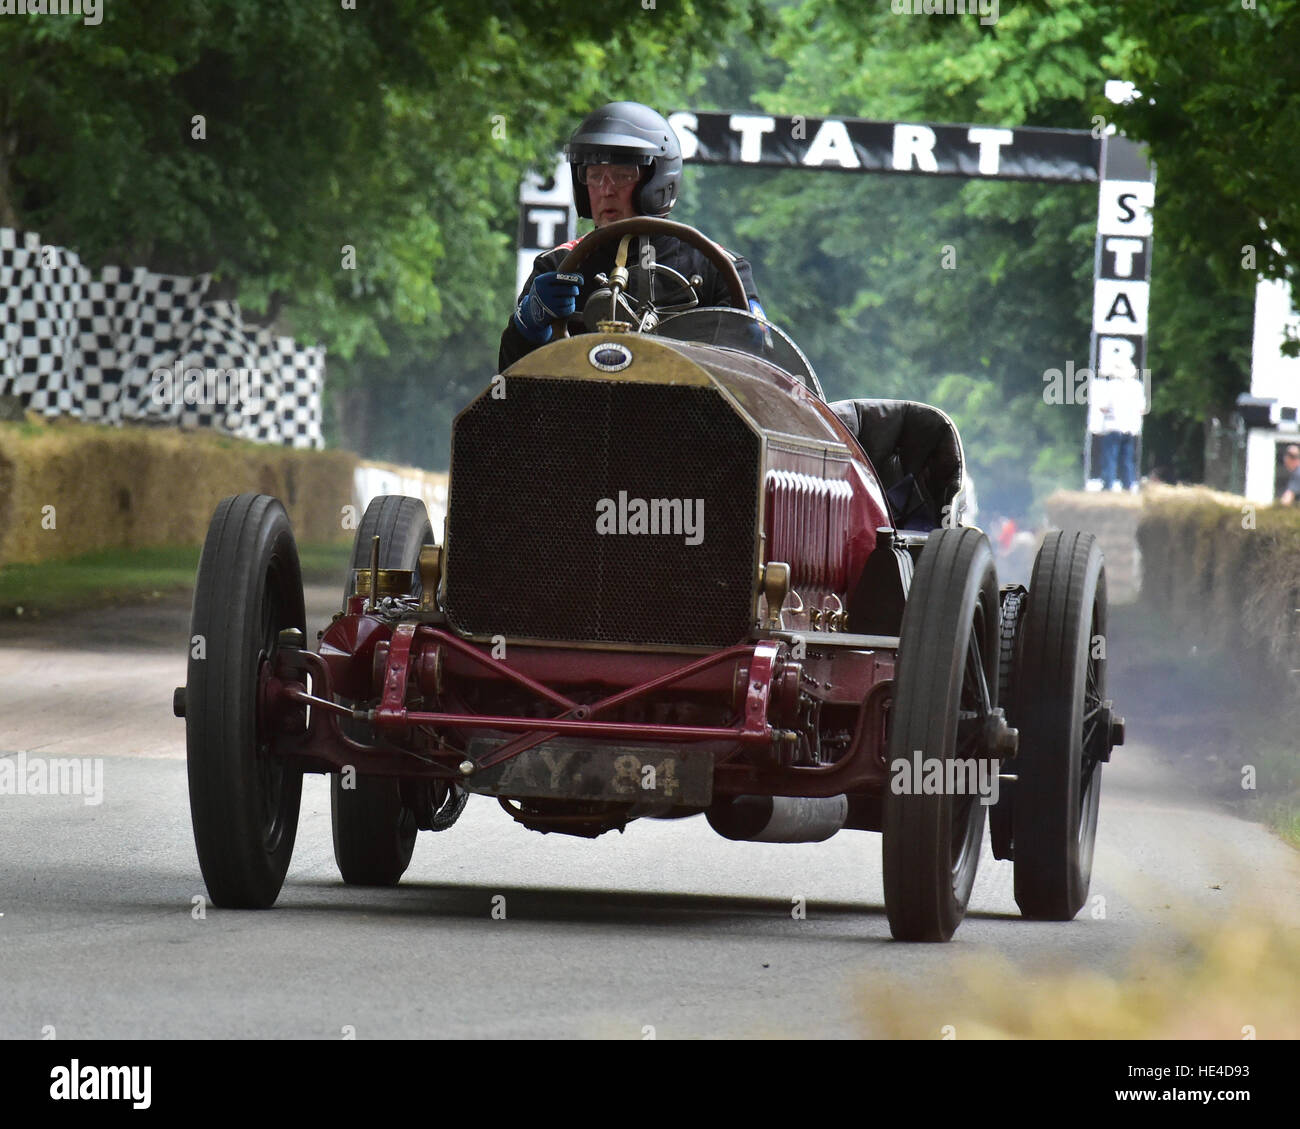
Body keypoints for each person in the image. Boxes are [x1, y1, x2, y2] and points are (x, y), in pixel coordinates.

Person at [499, 102, 763, 370]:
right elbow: (512, 377)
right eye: (594, 176)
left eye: (623, 176)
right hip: (578, 407)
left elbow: (755, 374)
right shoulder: (556, 266)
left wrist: (749, 335)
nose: (605, 190)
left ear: (658, 182)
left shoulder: (720, 266)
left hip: (683, 408)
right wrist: (529, 323)